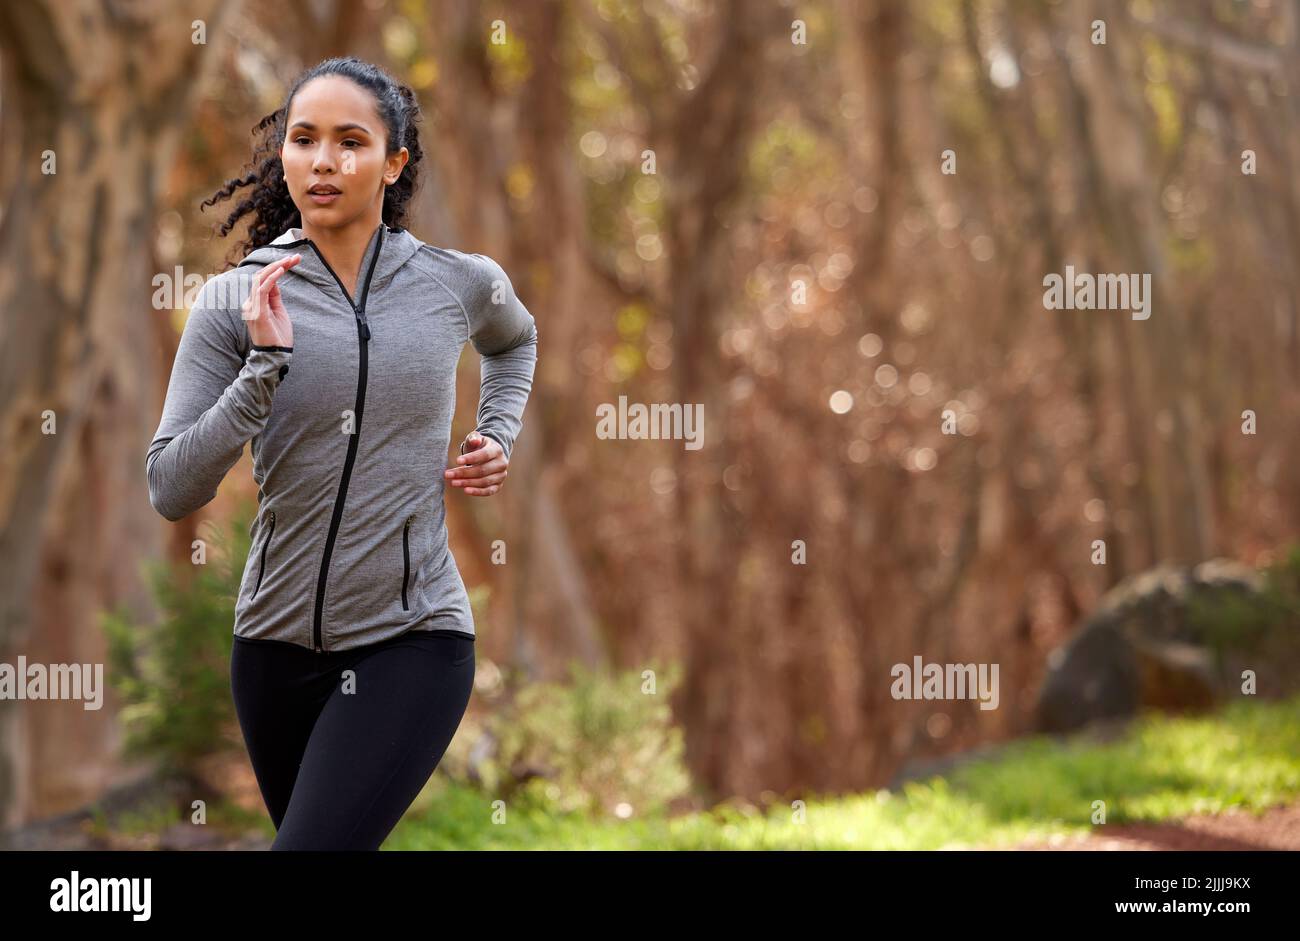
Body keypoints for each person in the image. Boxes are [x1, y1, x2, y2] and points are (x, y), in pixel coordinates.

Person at [145, 56, 538, 850]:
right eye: (304, 140)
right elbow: (170, 485)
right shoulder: (235, 302)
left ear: (395, 163)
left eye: (350, 141)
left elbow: (516, 341)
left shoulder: (455, 284)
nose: (324, 161)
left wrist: (497, 432)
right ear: (282, 156)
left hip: (413, 636)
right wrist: (263, 368)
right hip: (271, 649)